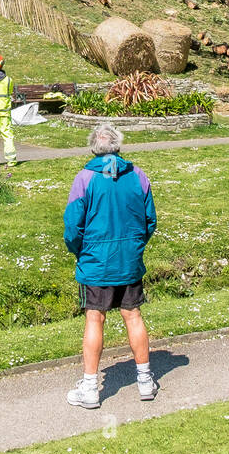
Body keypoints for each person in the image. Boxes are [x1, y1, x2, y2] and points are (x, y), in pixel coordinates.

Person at [63, 123, 158, 408]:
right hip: (128, 259)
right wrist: (134, 246)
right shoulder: (138, 176)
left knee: (95, 318)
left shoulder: (84, 179)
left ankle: (91, 387)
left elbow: (72, 227)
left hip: (96, 261)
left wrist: (79, 251)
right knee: (133, 315)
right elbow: (149, 220)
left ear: (94, 147)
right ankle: (145, 380)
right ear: (118, 146)